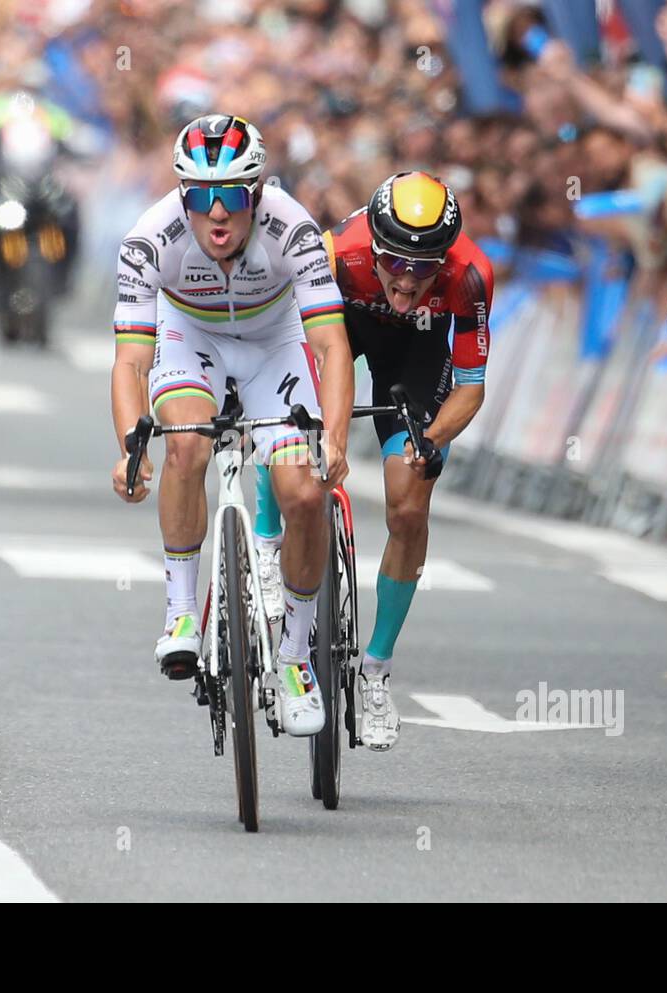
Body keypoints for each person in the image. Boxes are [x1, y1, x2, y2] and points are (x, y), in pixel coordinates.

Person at [109, 114, 353, 738]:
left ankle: (296, 656)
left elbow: (331, 346)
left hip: (276, 341)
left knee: (302, 492)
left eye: (232, 196)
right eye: (199, 197)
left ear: (258, 191)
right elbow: (131, 361)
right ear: (182, 195)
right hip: (192, 337)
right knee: (185, 447)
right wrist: (130, 449)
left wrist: (335, 439)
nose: (216, 214)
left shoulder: (293, 229)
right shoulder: (149, 238)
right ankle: (182, 614)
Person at [252, 172, 494, 751]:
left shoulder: (470, 275)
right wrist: (322, 432)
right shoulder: (338, 254)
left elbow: (471, 385)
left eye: (424, 267)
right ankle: (265, 538)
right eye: (395, 264)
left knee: (409, 506)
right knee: (294, 419)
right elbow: (291, 349)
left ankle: (376, 671)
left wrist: (430, 441)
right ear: (375, 251)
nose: (408, 281)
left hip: (416, 357)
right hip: (341, 329)